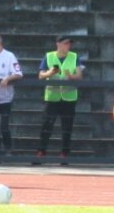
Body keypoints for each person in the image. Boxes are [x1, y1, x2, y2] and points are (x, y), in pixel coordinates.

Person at [36, 34, 84, 163]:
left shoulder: (74, 57)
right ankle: (41, 152)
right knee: (46, 125)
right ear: (58, 44)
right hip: (52, 97)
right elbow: (41, 75)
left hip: (69, 97)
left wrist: (71, 76)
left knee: (67, 127)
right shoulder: (49, 56)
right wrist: (50, 73)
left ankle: (65, 153)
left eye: (70, 43)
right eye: (66, 43)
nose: (69, 46)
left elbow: (79, 75)